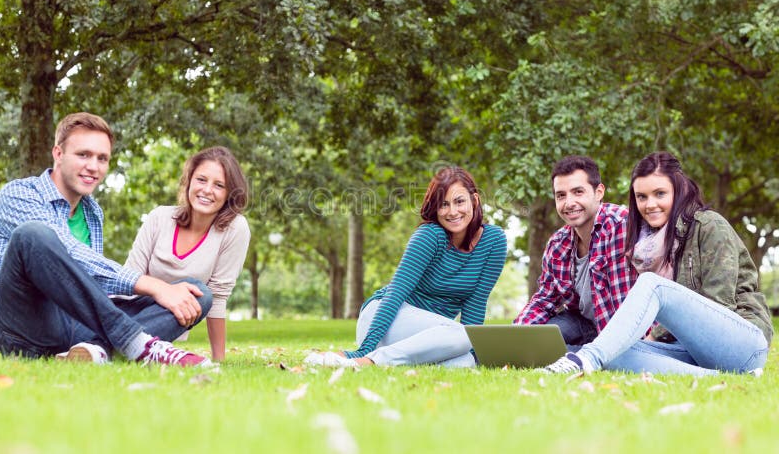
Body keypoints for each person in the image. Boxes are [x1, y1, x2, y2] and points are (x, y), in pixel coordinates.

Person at [0, 112, 213, 367]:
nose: (94, 166)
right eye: (83, 155)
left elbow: (86, 285)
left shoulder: (92, 212)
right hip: (12, 332)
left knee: (195, 292)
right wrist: (154, 286)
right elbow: (70, 253)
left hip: (67, 330)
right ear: (58, 154)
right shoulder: (19, 195)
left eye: (102, 158)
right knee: (32, 235)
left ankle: (94, 351)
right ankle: (135, 344)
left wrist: (163, 293)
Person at [542, 152, 772, 376]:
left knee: (652, 285)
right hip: (693, 350)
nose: (650, 204)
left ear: (678, 191)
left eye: (660, 193)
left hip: (743, 343)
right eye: (642, 197)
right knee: (616, 352)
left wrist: (656, 334)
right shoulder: (650, 241)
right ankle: (725, 377)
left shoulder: (710, 225)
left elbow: (719, 303)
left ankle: (588, 359)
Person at [304, 166, 507, 368]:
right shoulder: (430, 236)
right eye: (443, 204)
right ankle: (367, 360)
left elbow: (476, 302)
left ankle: (347, 360)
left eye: (459, 201)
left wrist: (472, 353)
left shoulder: (494, 241)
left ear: (475, 200)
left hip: (433, 335)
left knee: (468, 359)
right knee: (463, 335)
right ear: (435, 208)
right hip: (385, 319)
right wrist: (364, 348)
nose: (452, 212)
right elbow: (396, 293)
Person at [125, 146, 250, 362]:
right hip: (129, 310)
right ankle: (112, 343)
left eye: (219, 185)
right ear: (189, 181)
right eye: (201, 180)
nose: (207, 190)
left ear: (230, 193)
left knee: (200, 294)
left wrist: (218, 360)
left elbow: (217, 297)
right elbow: (128, 278)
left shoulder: (234, 229)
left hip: (162, 322)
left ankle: (107, 345)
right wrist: (162, 291)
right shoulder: (159, 218)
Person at [514, 156, 635, 348]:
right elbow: (544, 299)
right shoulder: (557, 244)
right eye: (561, 195)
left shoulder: (623, 226)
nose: (569, 203)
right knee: (538, 341)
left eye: (578, 192)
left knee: (548, 352)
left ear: (599, 192)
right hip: (585, 324)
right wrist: (515, 336)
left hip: (624, 329)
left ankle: (580, 355)